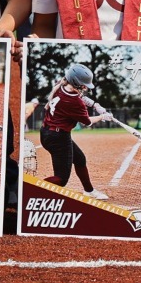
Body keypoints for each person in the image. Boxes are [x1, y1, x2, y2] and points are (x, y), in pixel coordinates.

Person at [21, 62, 114, 201]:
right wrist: (102, 117)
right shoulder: (74, 102)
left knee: (80, 159)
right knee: (61, 179)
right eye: (83, 85)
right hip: (58, 138)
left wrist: (95, 105)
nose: (85, 88)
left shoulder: (61, 85)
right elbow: (87, 122)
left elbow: (81, 96)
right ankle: (29, 190)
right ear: (76, 83)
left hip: (48, 132)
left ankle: (89, 190)